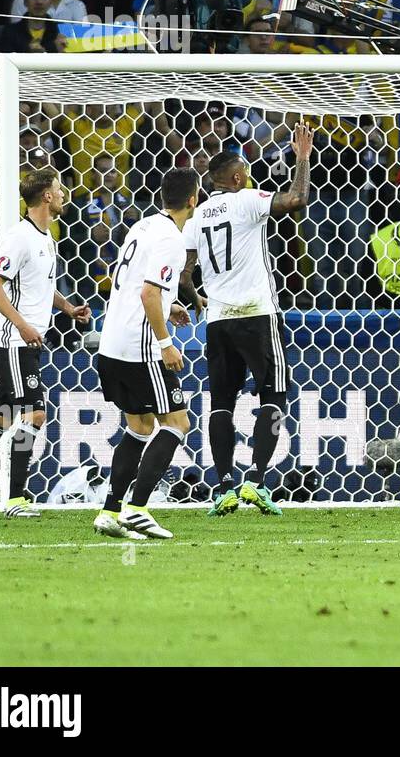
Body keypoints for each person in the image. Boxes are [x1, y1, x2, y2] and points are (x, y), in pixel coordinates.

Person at [181, 124, 313, 518]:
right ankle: (255, 481)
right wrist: (302, 158)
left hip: (218, 319)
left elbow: (186, 274)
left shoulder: (197, 215)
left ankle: (223, 486)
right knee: (273, 395)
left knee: (221, 402)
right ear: (237, 178)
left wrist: (198, 300)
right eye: (247, 171)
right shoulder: (246, 199)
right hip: (257, 315)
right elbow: (297, 199)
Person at [0, 168, 91, 518]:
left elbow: (43, 286)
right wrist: (24, 326)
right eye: (59, 189)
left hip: (26, 340)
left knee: (1, 417)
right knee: (36, 412)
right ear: (46, 196)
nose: (63, 195)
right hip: (15, 341)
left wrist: (68, 307)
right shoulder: (19, 237)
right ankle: (16, 499)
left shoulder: (46, 238)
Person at [93, 168, 200, 541]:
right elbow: (148, 294)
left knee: (138, 428)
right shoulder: (172, 238)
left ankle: (109, 511)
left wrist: (169, 306)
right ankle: (137, 509)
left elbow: (136, 285)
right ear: (193, 199)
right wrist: (164, 342)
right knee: (177, 423)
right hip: (140, 350)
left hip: (111, 345)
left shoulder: (142, 226)